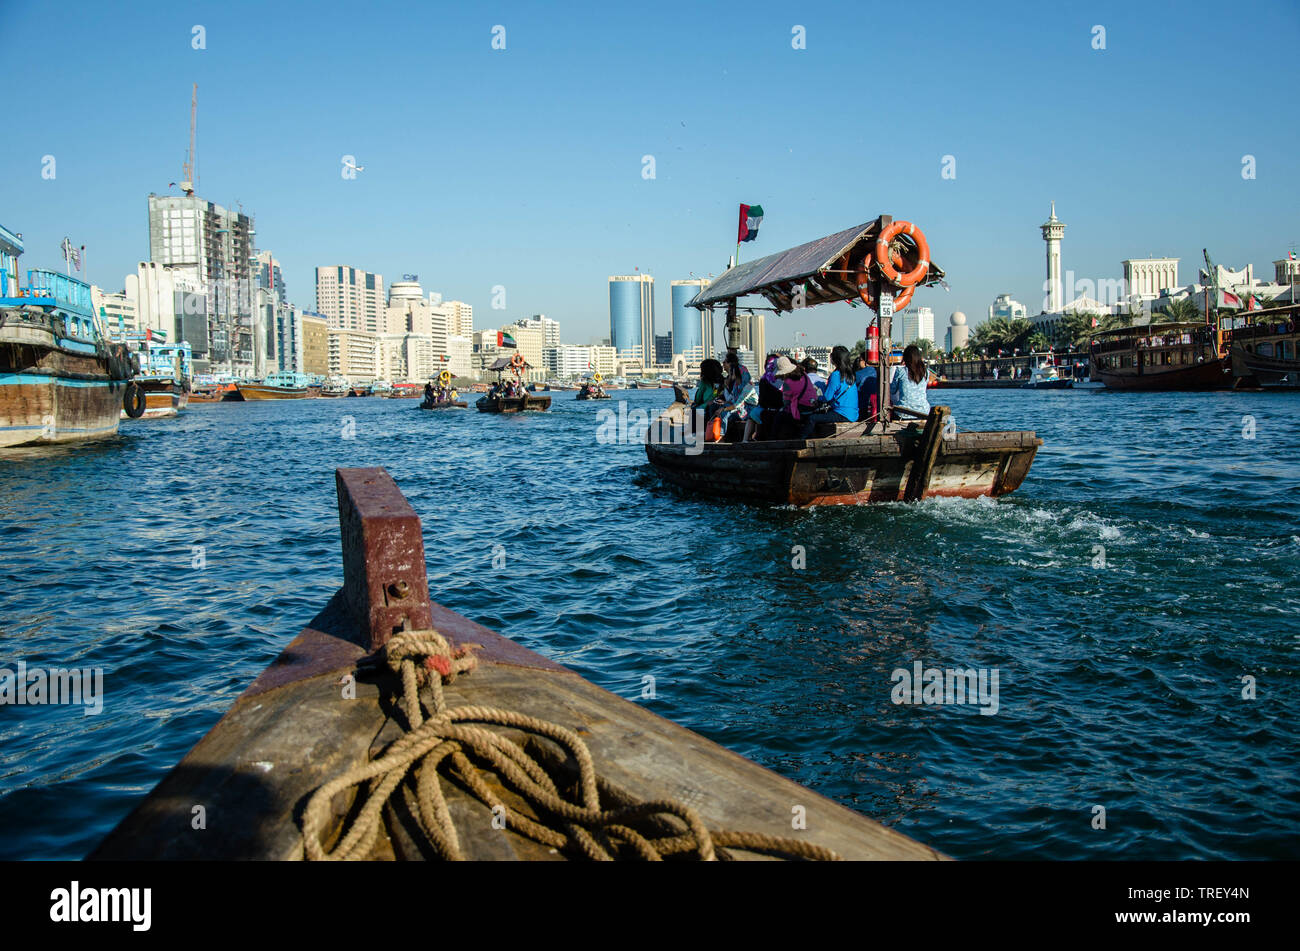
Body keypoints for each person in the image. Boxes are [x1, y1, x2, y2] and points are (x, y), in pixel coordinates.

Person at [801, 345, 859, 438]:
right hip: (853, 413)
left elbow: (827, 397)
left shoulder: (836, 375)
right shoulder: (851, 374)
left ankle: (801, 441)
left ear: (835, 359)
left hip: (841, 413)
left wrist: (816, 398)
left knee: (812, 418)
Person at [773, 355, 819, 439]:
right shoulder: (804, 374)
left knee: (779, 417)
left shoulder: (788, 383)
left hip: (801, 409)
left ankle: (775, 440)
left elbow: (786, 402)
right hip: (812, 406)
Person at [714, 352, 758, 440]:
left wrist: (724, 408)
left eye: (732, 373)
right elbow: (733, 399)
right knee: (717, 408)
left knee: (724, 413)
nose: (731, 375)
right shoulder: (736, 386)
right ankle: (717, 434)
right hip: (740, 408)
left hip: (748, 410)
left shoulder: (747, 387)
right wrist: (724, 403)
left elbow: (737, 404)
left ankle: (721, 437)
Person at [891, 344, 931, 418]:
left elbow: (892, 390)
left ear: (906, 358)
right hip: (924, 412)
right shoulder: (926, 372)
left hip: (904, 413)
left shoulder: (901, 371)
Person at [853, 353, 879, 423]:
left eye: (860, 360)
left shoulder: (858, 374)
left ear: (864, 361)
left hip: (861, 406)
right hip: (876, 407)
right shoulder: (877, 372)